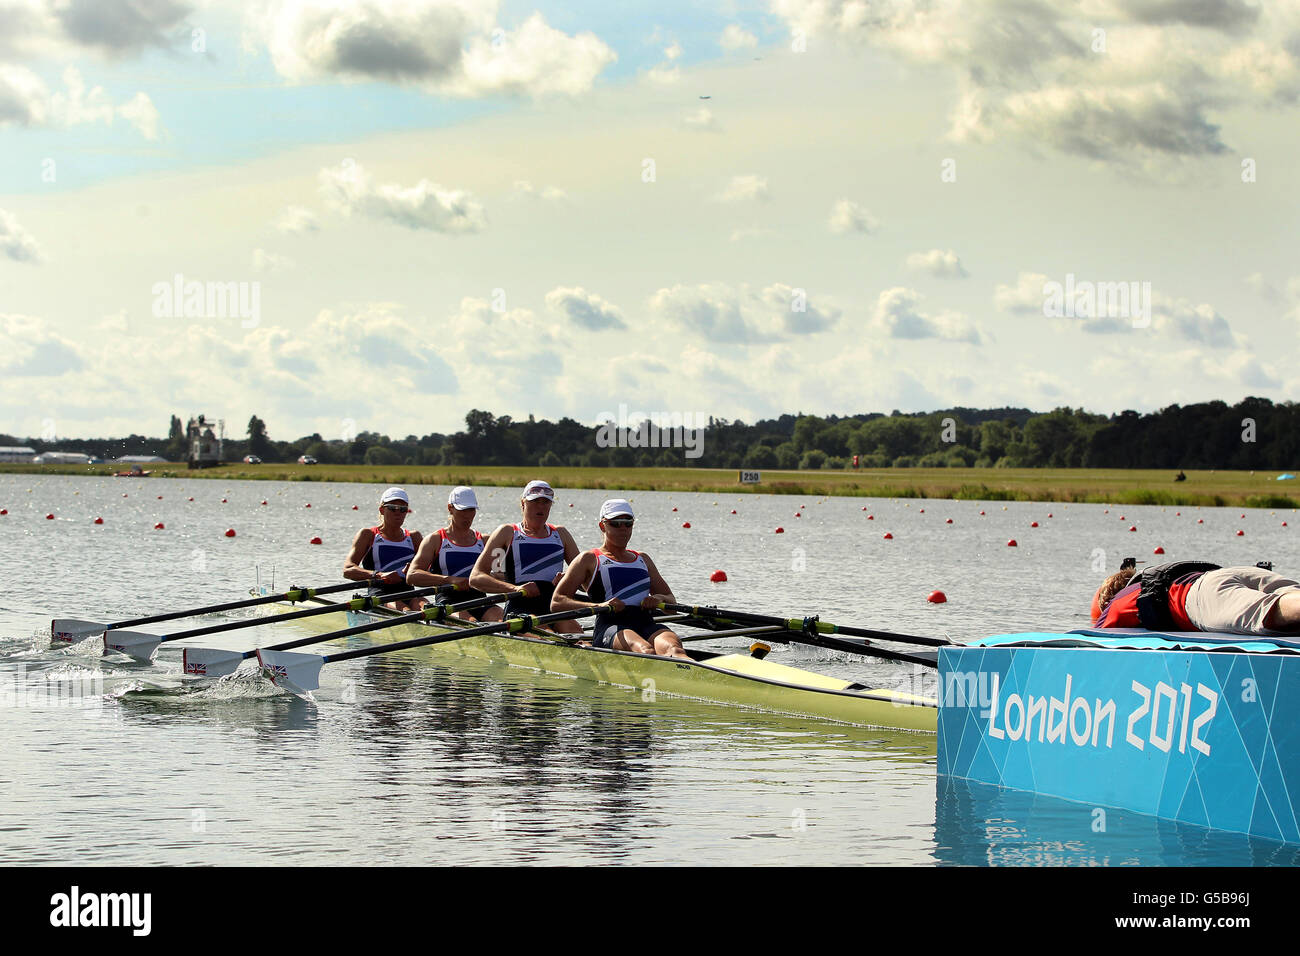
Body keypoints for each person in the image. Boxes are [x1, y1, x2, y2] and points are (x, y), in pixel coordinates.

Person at [552, 499, 689, 658]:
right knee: (646, 650)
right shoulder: (588, 559)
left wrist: (659, 599)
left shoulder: (643, 559)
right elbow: (557, 602)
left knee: (675, 650)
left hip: (647, 624)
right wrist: (599, 605)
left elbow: (671, 603)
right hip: (610, 628)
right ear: (602, 526)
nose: (623, 528)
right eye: (616, 523)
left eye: (628, 523)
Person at [469, 479, 583, 635]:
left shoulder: (561, 534)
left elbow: (586, 582)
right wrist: (515, 588)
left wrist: (567, 581)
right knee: (547, 636)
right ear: (523, 504)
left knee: (577, 635)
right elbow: (475, 578)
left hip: (553, 608)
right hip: (519, 610)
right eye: (535, 502)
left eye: (545, 502)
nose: (541, 507)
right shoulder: (507, 532)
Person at [1091, 559, 1300, 635]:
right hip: (1235, 573)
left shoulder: (1117, 602)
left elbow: (1092, 642)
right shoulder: (1154, 577)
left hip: (1202, 596)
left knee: (1270, 612)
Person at [406, 486, 504, 623]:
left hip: (480, 600)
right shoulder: (435, 540)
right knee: (471, 623)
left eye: (471, 510)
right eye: (462, 510)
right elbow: (412, 576)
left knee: (502, 619)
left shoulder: (485, 541)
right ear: (450, 508)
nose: (467, 515)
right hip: (448, 602)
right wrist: (449, 580)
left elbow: (501, 575)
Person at [343, 487, 425, 611]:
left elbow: (431, 570)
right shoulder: (368, 535)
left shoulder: (414, 537)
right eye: (392, 508)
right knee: (404, 610)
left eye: (403, 509)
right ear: (382, 510)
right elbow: (347, 569)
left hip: (409, 593)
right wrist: (379, 575)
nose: (398, 512)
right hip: (380, 594)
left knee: (426, 607)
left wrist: (416, 570)